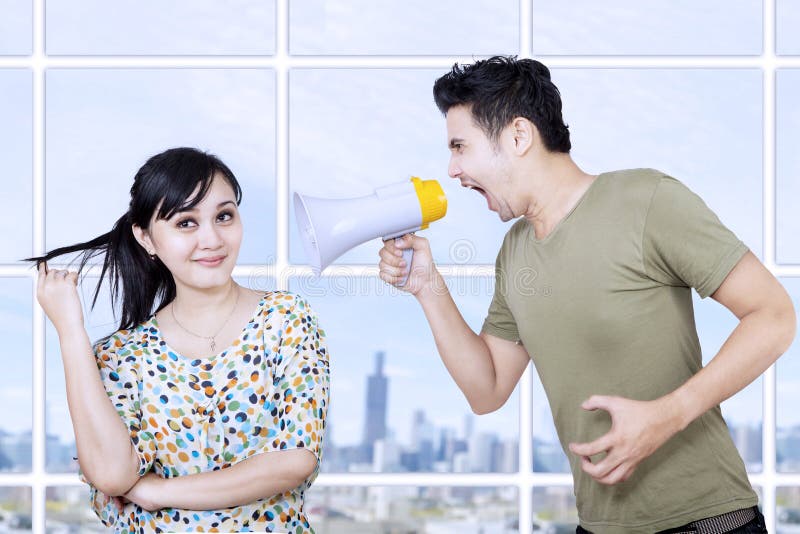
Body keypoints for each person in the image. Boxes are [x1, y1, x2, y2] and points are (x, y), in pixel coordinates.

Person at [378, 56, 795, 533]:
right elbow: (487, 389)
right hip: (597, 525)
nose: (452, 170)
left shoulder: (647, 199)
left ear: (518, 136)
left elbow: (775, 316)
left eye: (460, 147)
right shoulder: (514, 253)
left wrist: (667, 415)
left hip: (706, 521)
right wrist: (426, 286)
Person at [28, 147, 329, 533]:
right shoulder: (122, 356)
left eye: (224, 216)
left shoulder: (285, 320)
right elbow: (111, 475)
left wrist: (161, 492)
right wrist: (70, 331)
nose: (212, 239)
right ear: (146, 238)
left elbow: (295, 460)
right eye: (186, 223)